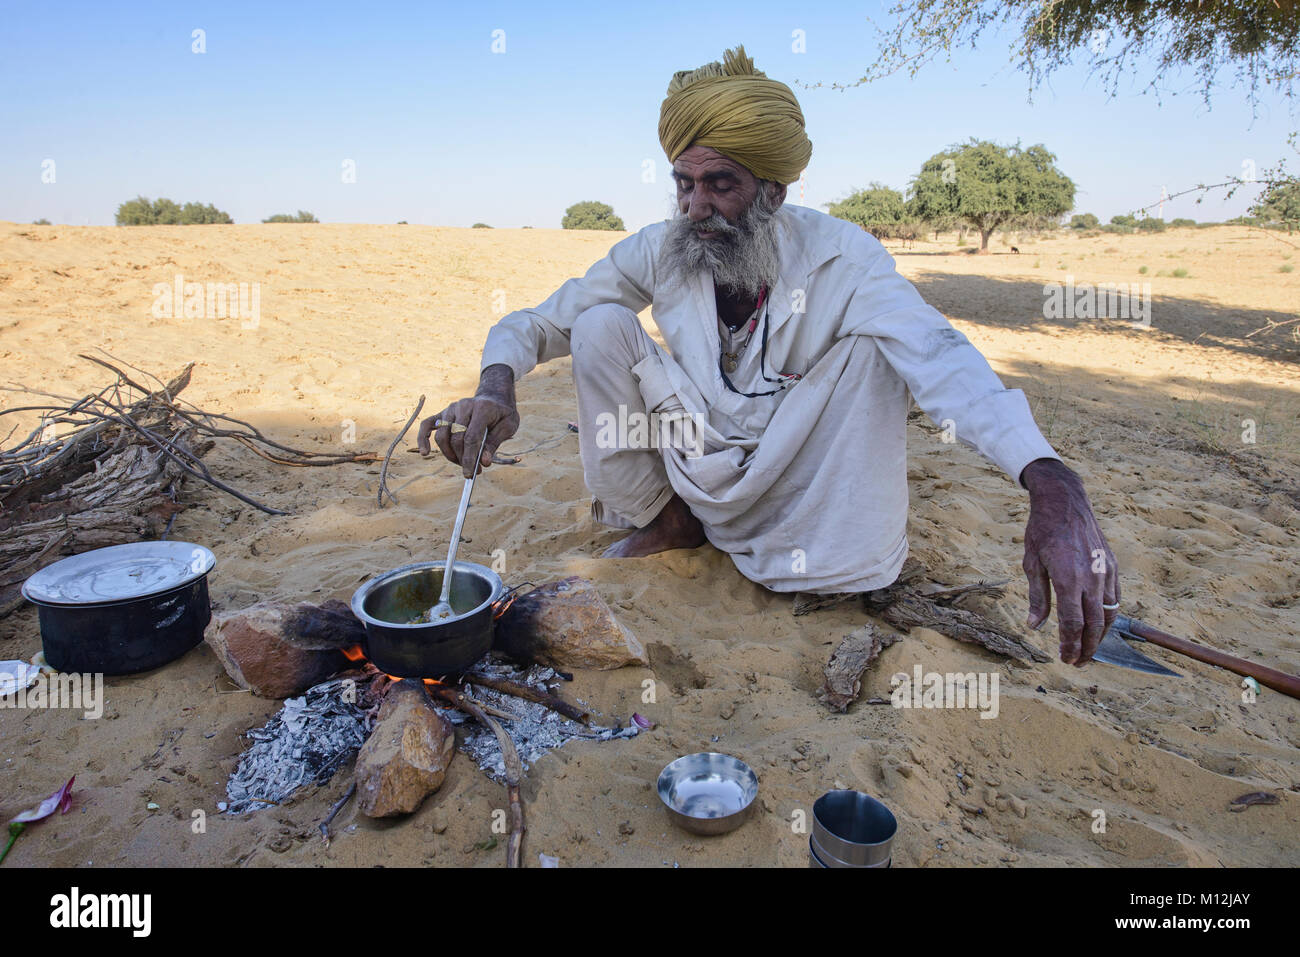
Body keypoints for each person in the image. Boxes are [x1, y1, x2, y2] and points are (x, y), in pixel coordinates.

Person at [419, 45, 1120, 666]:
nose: (697, 206)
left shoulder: (842, 257)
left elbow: (940, 356)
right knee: (600, 322)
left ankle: (815, 562)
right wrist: (497, 385)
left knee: (877, 350)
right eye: (684, 184)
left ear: (773, 192)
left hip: (799, 472)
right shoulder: (664, 248)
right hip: (697, 457)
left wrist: (1050, 479)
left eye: (720, 183)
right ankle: (674, 519)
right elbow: (545, 318)